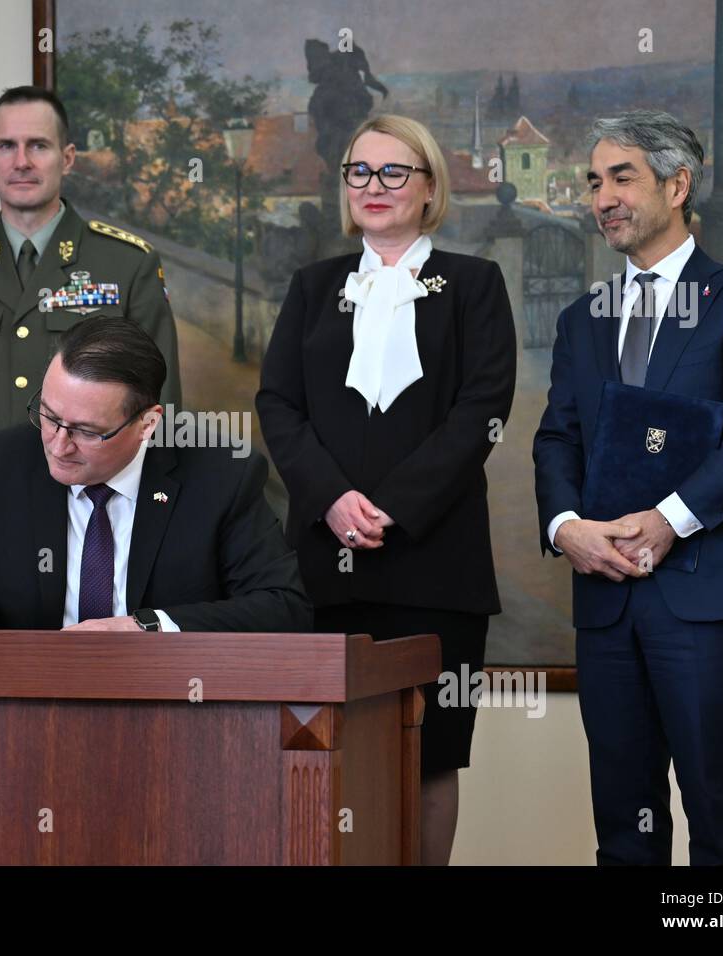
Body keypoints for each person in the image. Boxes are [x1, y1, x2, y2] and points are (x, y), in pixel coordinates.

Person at [533, 110, 723, 865]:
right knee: (623, 823)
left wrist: (670, 520)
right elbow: (557, 439)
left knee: (717, 817)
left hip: (706, 596)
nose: (602, 197)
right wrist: (565, 528)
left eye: (622, 177)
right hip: (606, 600)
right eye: (594, 181)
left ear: (678, 185)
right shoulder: (584, 318)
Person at [256, 114, 517, 865]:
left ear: (430, 185)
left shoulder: (474, 284)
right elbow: (278, 403)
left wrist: (394, 509)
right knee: (322, 751)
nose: (374, 186)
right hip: (322, 566)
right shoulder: (312, 288)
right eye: (359, 172)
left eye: (393, 171)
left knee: (434, 757)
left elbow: (482, 410)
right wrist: (332, 499)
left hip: (439, 570)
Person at [0, 85, 182, 606]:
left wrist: (162, 526)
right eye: (6, 146)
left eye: (38, 146)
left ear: (67, 157)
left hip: (93, 518)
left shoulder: (126, 263)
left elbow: (163, 409)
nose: (21, 161)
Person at [0, 317, 310, 634]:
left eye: (87, 431)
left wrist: (147, 627)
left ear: (147, 424)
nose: (58, 446)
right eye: (48, 416)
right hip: (33, 700)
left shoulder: (222, 475)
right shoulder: (0, 465)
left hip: (173, 702)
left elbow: (282, 608)